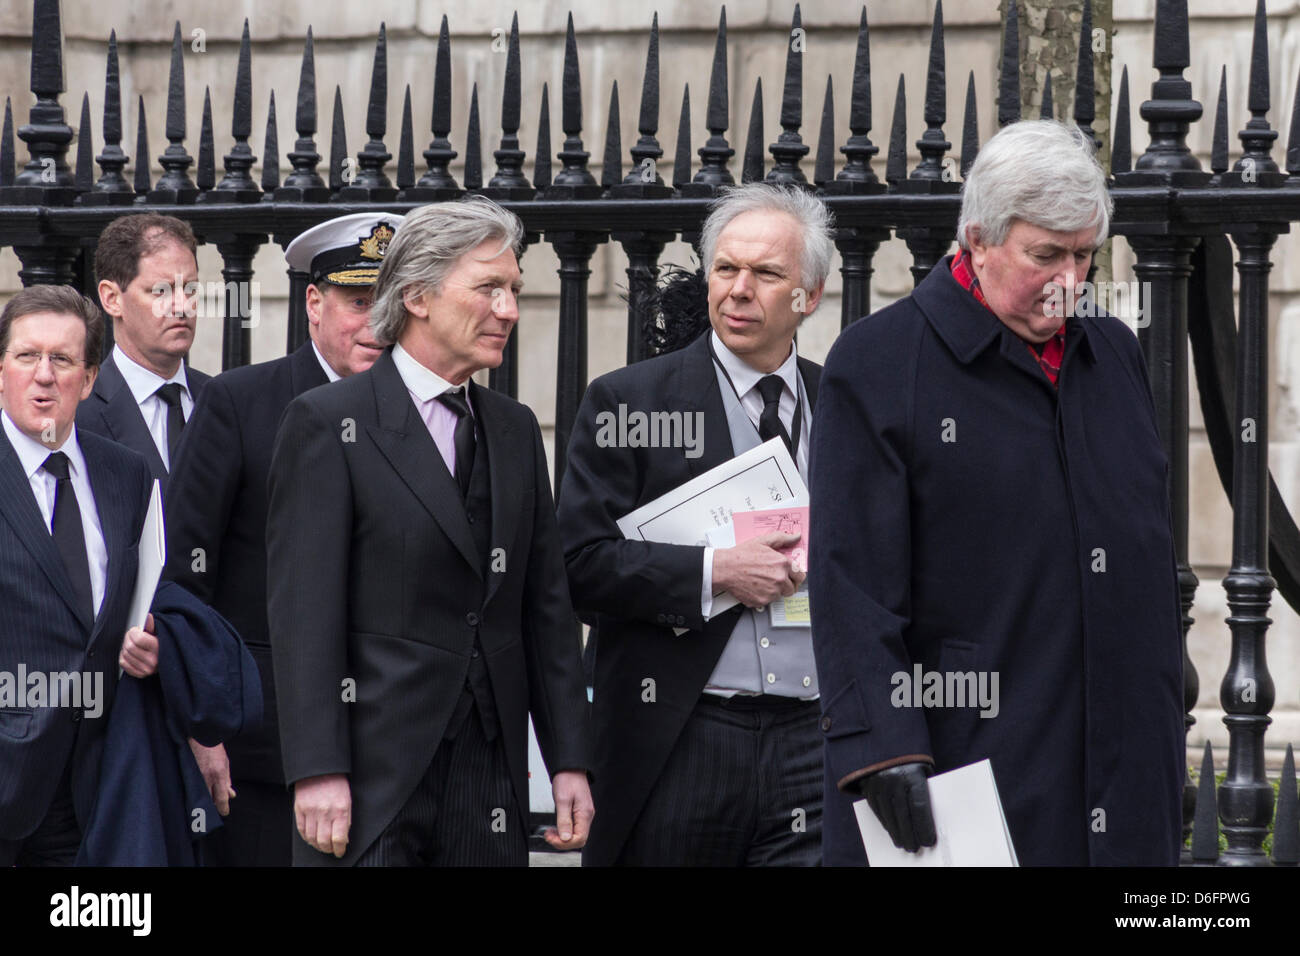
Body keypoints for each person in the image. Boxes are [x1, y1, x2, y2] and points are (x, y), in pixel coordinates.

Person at [810, 120, 1184, 866]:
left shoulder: (1115, 350)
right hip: (963, 764)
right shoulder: (879, 361)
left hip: (1122, 767)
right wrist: (885, 749)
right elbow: (851, 582)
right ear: (976, 240)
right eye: (1045, 254)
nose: (1069, 281)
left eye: (1084, 256)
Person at [266, 197, 593, 866]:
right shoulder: (327, 422)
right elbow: (305, 614)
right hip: (371, 781)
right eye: (489, 288)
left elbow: (546, 610)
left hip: (490, 779)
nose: (508, 310)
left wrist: (568, 761)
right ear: (416, 294)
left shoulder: (514, 428)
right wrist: (318, 768)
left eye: (513, 291)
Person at [557, 183, 834, 866]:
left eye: (766, 273)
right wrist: (715, 571)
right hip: (682, 735)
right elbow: (576, 565)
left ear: (811, 295)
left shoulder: (846, 405)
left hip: (814, 738)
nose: (738, 290)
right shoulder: (630, 401)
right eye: (725, 269)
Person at [162, 212, 403, 866]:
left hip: (397, 744)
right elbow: (183, 578)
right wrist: (202, 727)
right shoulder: (242, 403)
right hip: (265, 752)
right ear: (314, 304)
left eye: (391, 302)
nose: (377, 324)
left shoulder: (426, 413)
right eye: (359, 303)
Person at [0, 285, 156, 865]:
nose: (44, 375)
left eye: (62, 360)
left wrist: (151, 641)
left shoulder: (126, 474)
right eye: (26, 356)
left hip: (98, 785)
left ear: (88, 380)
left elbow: (148, 593)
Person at [77, 213, 211, 487]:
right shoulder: (77, 412)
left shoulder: (219, 401)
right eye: (161, 291)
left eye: (190, 289)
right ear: (112, 299)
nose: (181, 305)